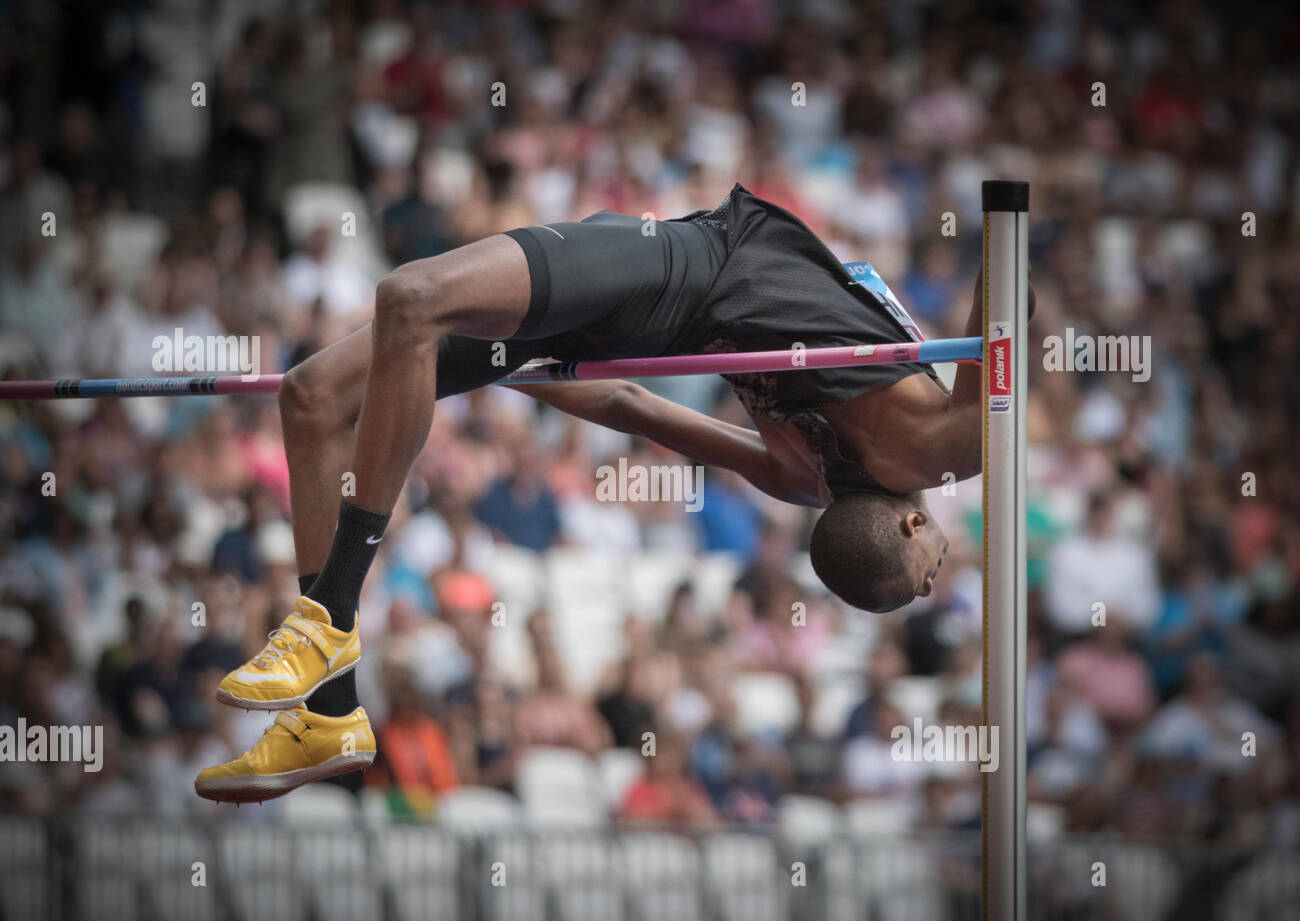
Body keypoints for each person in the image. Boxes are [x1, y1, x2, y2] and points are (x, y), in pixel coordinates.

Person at [196, 183, 1022, 803]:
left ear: (913, 521)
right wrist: (504, 365)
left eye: (925, 577)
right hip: (645, 299)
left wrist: (1007, 211)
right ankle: (330, 712)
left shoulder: (926, 455)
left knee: (412, 299)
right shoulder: (803, 477)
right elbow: (629, 404)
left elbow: (1002, 336)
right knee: (312, 397)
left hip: (678, 273)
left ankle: (325, 617)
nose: (936, 573)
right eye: (928, 582)